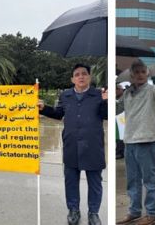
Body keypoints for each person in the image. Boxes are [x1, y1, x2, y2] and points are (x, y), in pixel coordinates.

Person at [39, 63, 109, 225]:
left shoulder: (99, 95)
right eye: (77, 74)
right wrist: (43, 108)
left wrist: (106, 101)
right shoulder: (66, 96)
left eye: (84, 73)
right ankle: (73, 210)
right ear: (72, 79)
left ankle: (93, 213)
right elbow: (58, 114)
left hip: (92, 146)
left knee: (95, 182)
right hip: (71, 144)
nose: (81, 77)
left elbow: (105, 116)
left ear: (90, 77)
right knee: (70, 180)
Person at [116, 59, 155, 225]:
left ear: (147, 74)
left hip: (146, 142)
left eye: (142, 71)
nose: (139, 75)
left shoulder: (153, 91)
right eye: (136, 72)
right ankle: (134, 211)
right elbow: (117, 109)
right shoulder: (127, 93)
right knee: (132, 180)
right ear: (131, 75)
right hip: (129, 142)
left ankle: (152, 213)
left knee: (149, 180)